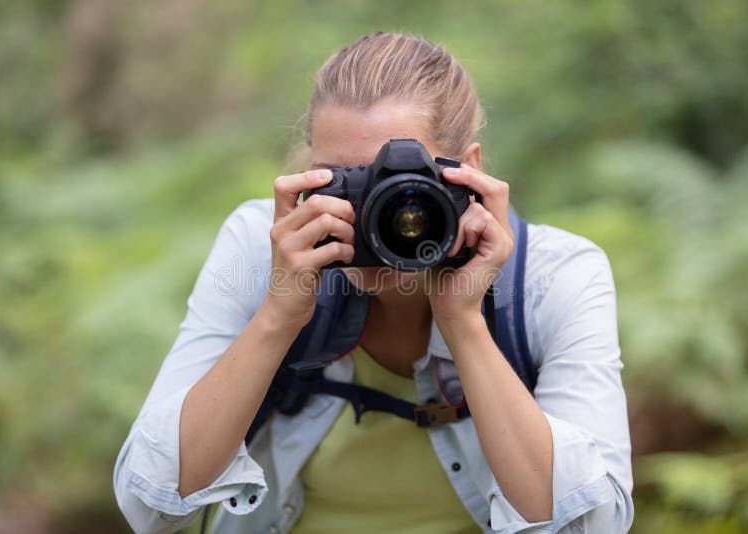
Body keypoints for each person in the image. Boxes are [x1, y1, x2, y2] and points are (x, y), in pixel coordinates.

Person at [113, 32, 633, 533]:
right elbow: (150, 504)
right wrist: (278, 317)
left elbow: (589, 526)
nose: (371, 217)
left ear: (467, 172)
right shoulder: (262, 248)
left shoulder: (554, 276)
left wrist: (463, 322)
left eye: (400, 186)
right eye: (347, 184)